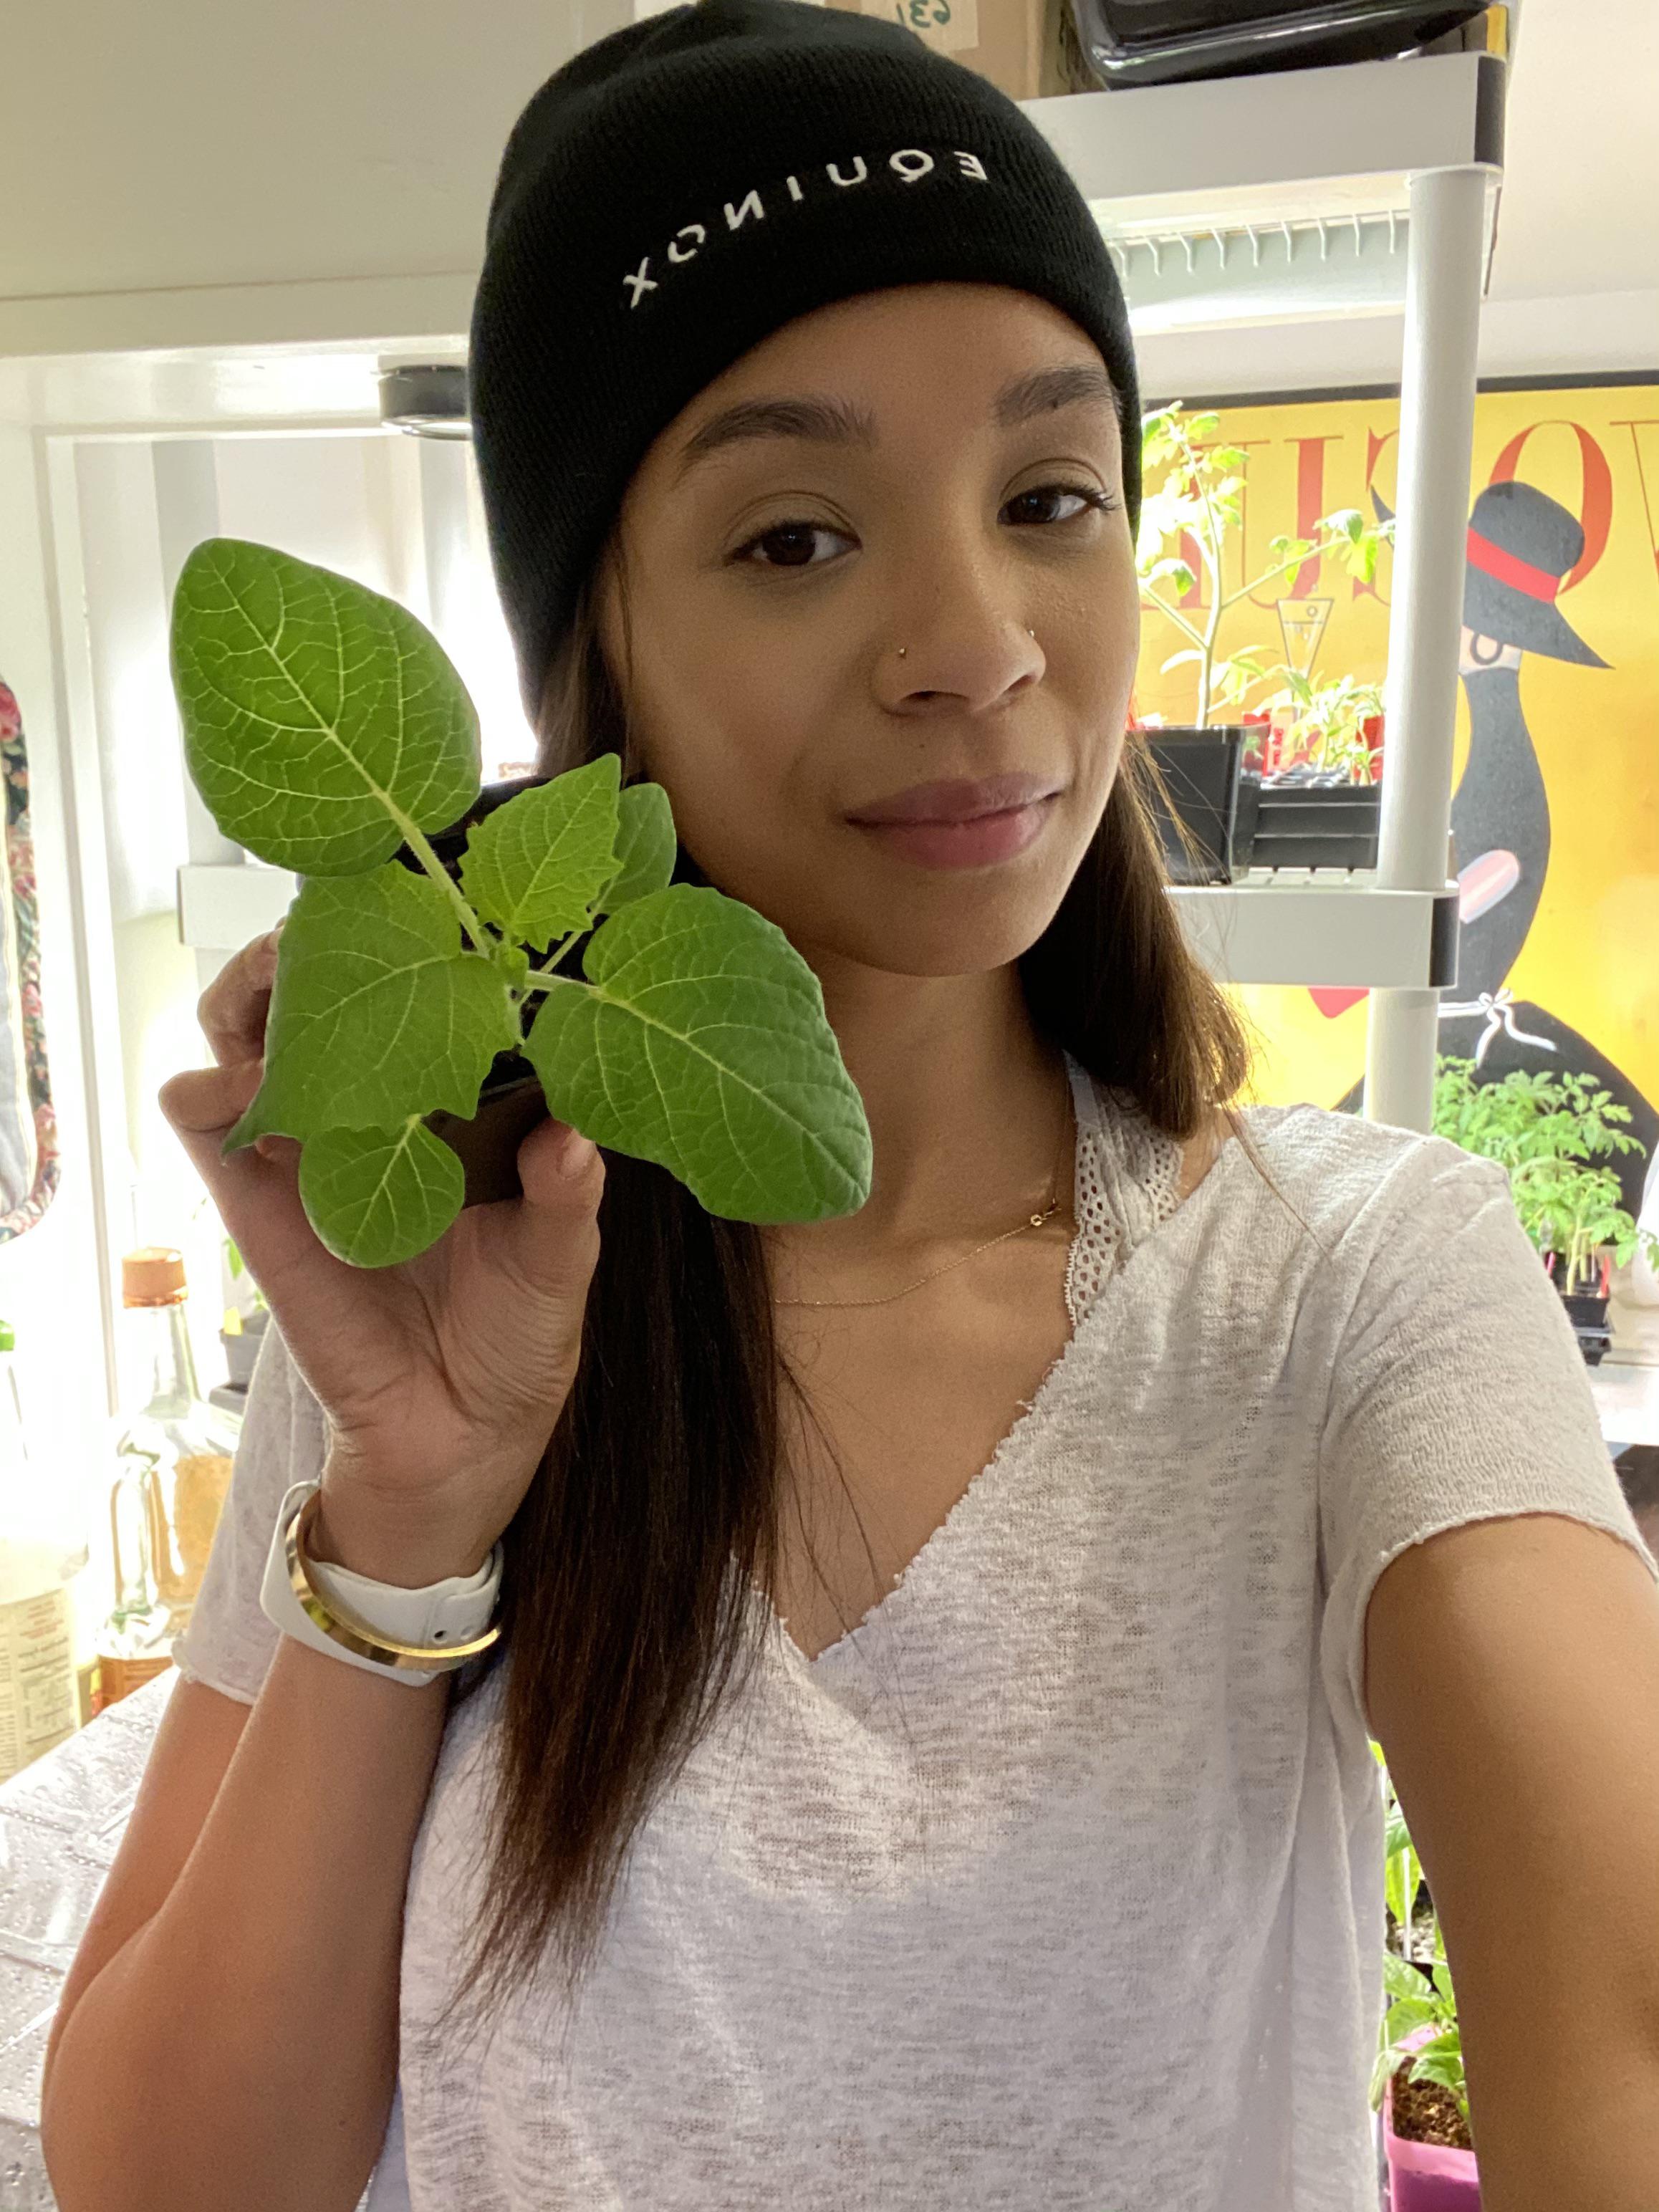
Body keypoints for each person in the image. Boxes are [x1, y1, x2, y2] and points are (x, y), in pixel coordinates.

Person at [41, 4, 1659, 2208]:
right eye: (794, 537)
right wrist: (413, 1514)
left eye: (1048, 497)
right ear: (588, 639)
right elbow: (173, 2182)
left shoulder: (1342, 1287)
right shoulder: (450, 1291)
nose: (976, 640)